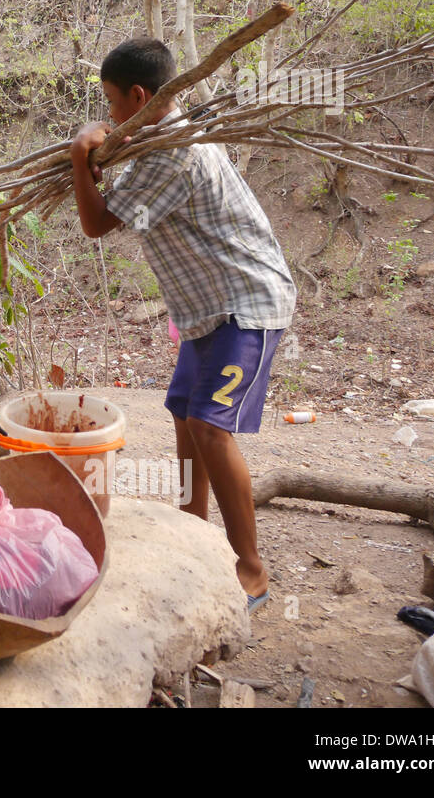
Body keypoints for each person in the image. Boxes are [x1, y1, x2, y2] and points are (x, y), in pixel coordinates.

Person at [69, 37, 296, 613]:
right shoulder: (161, 140)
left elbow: (98, 222)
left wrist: (79, 157)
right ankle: (192, 535)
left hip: (245, 304)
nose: (111, 112)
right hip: (206, 312)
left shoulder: (176, 153)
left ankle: (251, 571)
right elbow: (118, 195)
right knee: (183, 415)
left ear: (141, 96)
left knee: (210, 426)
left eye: (112, 101)